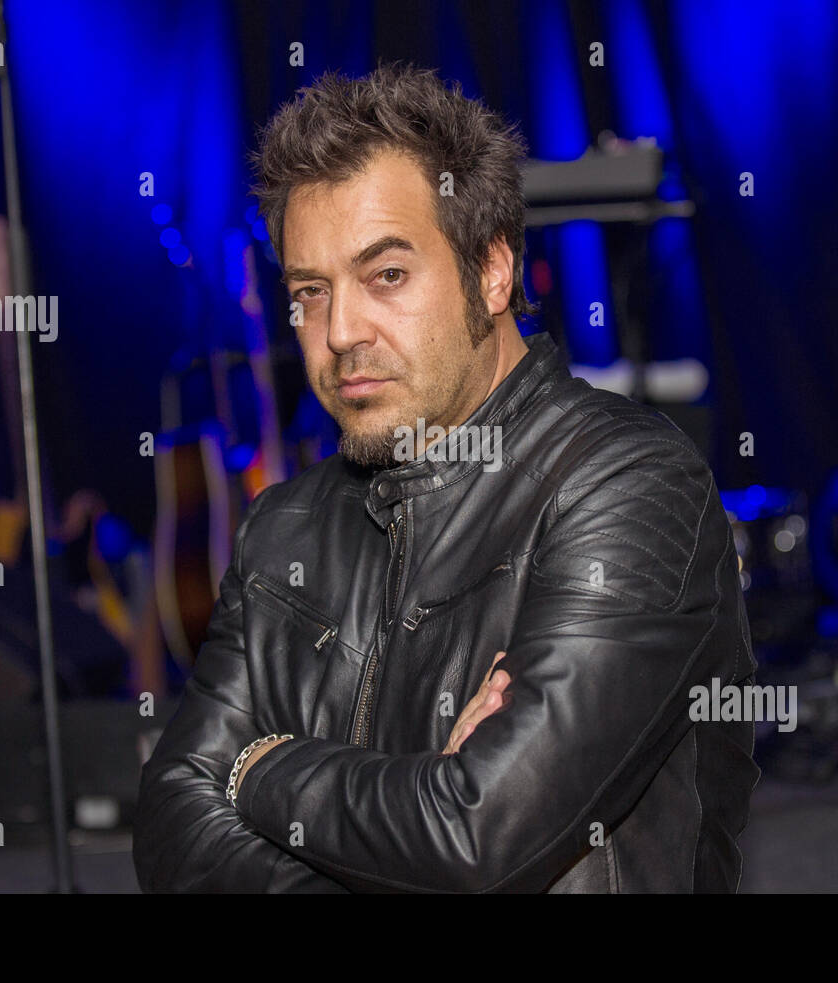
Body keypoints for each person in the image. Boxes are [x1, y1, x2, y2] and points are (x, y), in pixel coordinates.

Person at [132, 62, 759, 893]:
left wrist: (251, 766)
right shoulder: (281, 525)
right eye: (311, 291)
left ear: (492, 271)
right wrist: (413, 807)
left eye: (386, 275)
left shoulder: (629, 485)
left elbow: (477, 833)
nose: (341, 330)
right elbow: (171, 823)